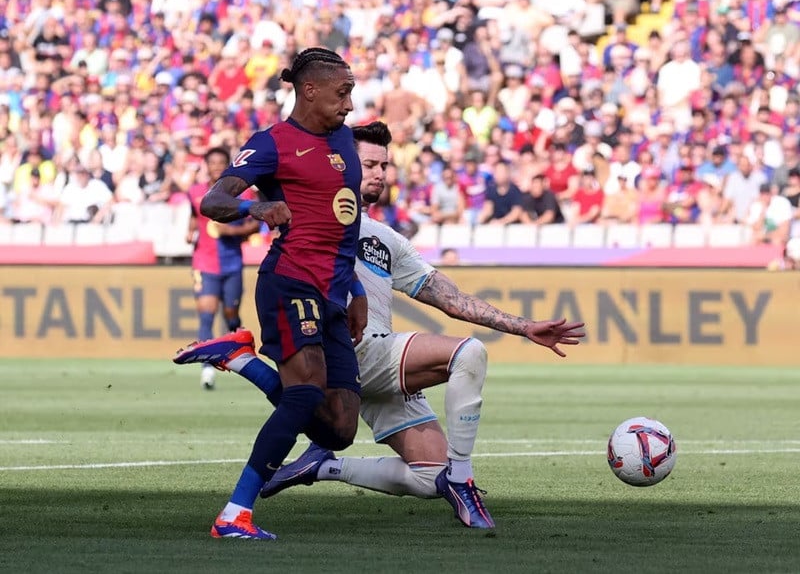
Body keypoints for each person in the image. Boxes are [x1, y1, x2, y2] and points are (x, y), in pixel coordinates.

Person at [175, 121, 585, 532]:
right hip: (351, 348)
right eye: (368, 163)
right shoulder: (320, 212)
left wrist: (524, 326)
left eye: (383, 166)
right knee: (469, 353)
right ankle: (463, 480)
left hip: (374, 369)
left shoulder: (386, 238)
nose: (378, 173)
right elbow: (248, 198)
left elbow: (453, 299)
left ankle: (322, 465)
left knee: (427, 478)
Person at [181, 48, 366, 540]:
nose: (349, 104)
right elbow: (213, 200)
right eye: (342, 93)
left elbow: (345, 222)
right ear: (310, 90)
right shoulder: (273, 144)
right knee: (305, 393)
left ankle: (242, 360)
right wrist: (256, 210)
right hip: (289, 281)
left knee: (339, 429)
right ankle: (234, 514)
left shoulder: (345, 139)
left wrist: (358, 290)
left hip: (334, 293)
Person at [186, 147, 260, 390]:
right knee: (206, 314)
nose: (217, 166)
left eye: (221, 162)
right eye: (213, 162)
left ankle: (236, 355)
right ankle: (207, 369)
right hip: (204, 262)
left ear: (227, 165)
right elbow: (194, 218)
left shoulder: (243, 193)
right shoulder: (195, 193)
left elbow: (254, 226)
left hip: (231, 262)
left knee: (230, 315)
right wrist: (190, 232)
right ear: (206, 165)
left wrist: (232, 231)